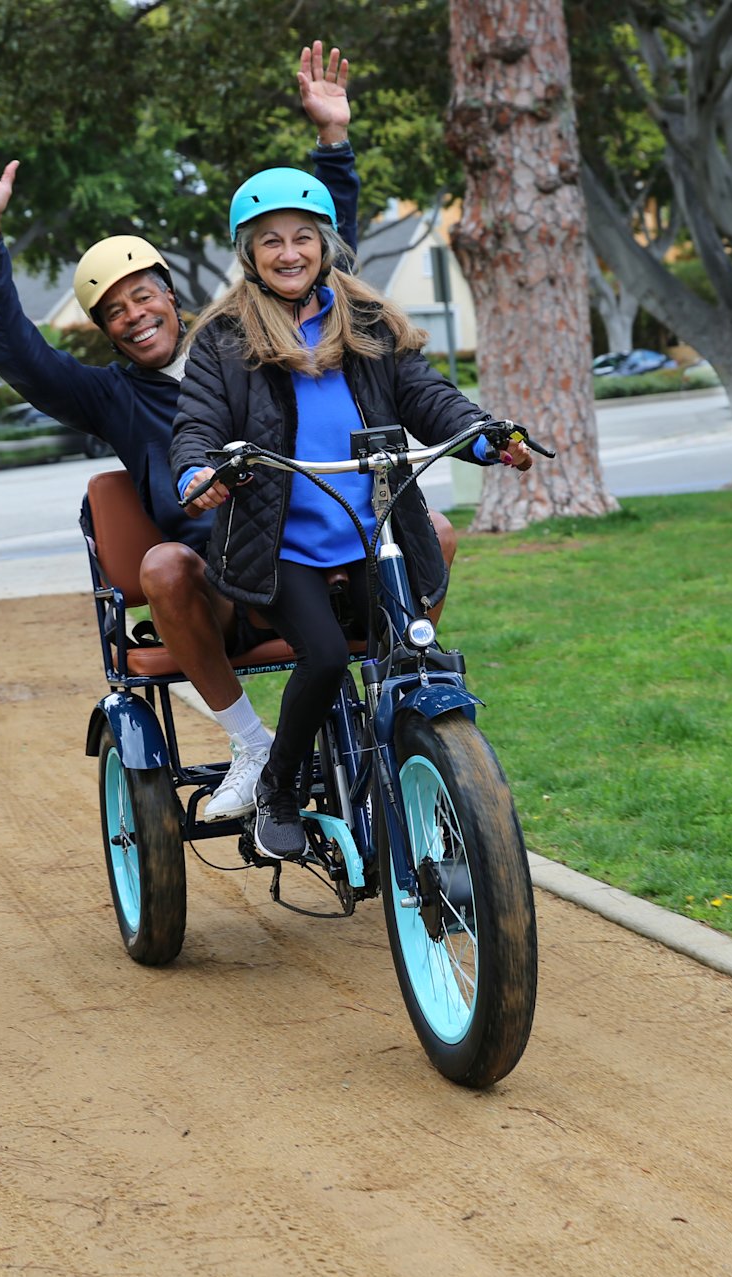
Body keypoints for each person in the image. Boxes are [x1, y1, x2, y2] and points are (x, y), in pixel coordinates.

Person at [0, 42, 364, 821]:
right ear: (105, 330)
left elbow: (323, 261)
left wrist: (331, 142)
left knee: (425, 531)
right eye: (114, 311)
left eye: (144, 296)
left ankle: (398, 731)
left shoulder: (246, 336)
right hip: (224, 585)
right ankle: (251, 745)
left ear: (172, 295)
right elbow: (14, 353)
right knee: (165, 565)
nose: (135, 315)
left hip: (310, 545)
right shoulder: (109, 396)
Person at [171, 170, 533, 860]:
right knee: (328, 656)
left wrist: (485, 436)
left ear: (324, 245)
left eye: (302, 238)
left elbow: (427, 396)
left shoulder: (367, 320)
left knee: (410, 653)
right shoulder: (224, 337)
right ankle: (277, 790)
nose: (288, 253)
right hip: (282, 545)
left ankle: (411, 774)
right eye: (270, 241)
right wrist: (197, 473)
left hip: (377, 532)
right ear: (248, 253)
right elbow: (196, 424)